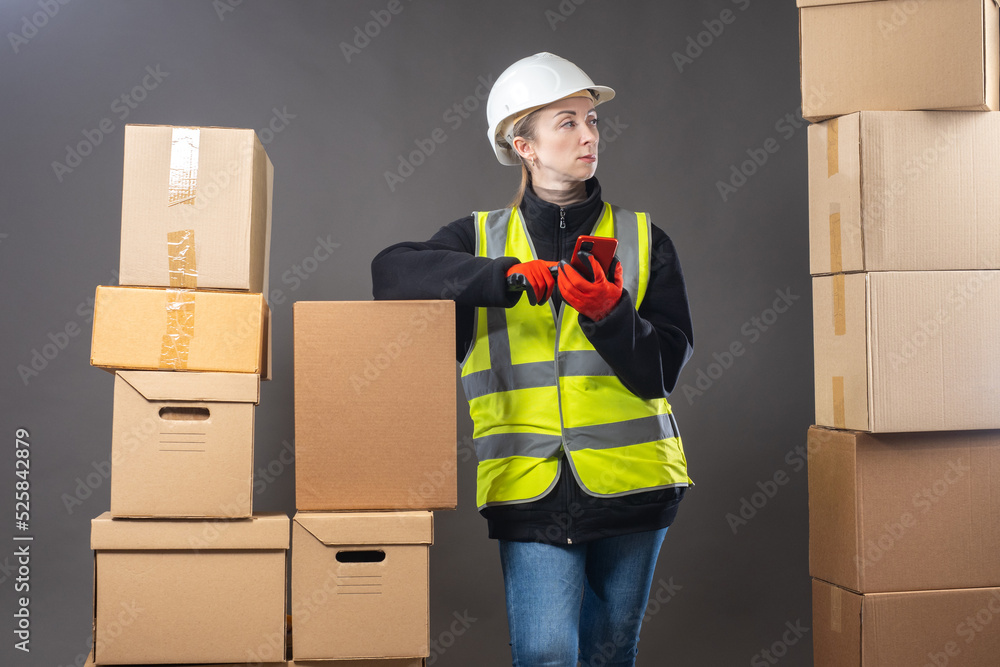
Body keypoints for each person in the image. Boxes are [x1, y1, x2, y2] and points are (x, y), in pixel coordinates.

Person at [371, 52, 693, 667]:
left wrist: (610, 314)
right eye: (567, 122)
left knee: (609, 653)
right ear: (525, 146)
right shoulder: (480, 239)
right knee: (546, 654)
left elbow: (661, 373)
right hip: (530, 489)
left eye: (592, 121)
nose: (588, 135)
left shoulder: (645, 238)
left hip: (636, 485)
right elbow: (391, 272)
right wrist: (507, 276)